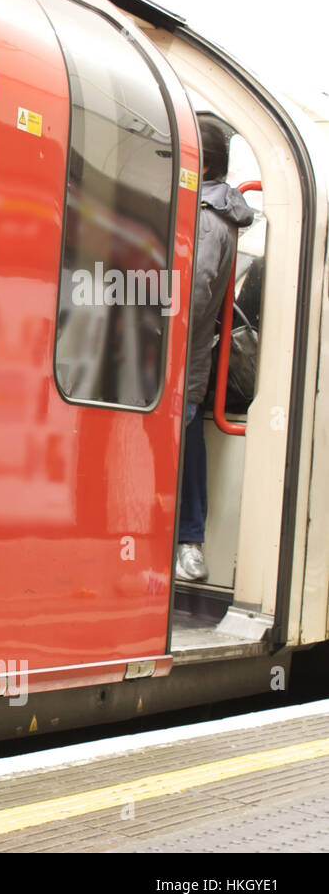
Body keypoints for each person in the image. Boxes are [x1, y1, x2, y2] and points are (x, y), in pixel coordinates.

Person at [176, 115, 254, 582]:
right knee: (185, 444)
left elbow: (193, 290)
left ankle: (187, 543)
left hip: (178, 357)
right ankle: (187, 541)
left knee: (182, 444)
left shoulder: (204, 218)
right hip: (189, 358)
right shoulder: (217, 212)